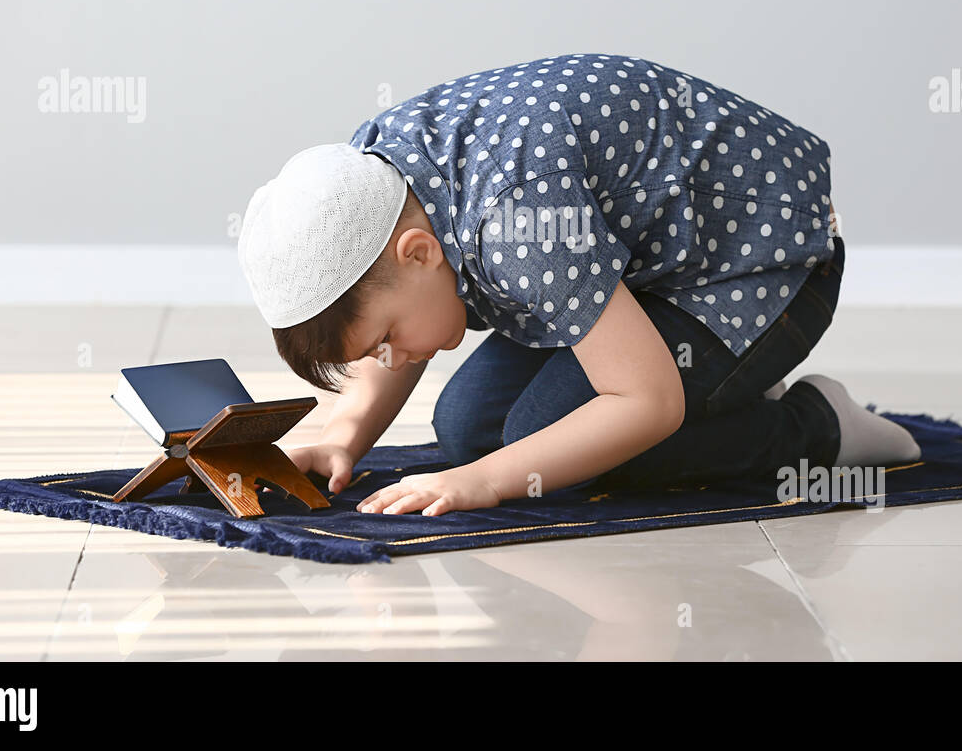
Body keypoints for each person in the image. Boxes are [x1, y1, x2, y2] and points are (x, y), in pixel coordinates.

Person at [237, 52, 919, 516]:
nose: (392, 358)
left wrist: (480, 487)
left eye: (386, 338)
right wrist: (346, 435)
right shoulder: (382, 181)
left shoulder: (519, 223)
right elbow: (385, 307)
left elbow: (644, 403)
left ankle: (815, 427)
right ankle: (722, 383)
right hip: (638, 262)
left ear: (419, 253)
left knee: (542, 440)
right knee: (468, 430)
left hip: (763, 264)